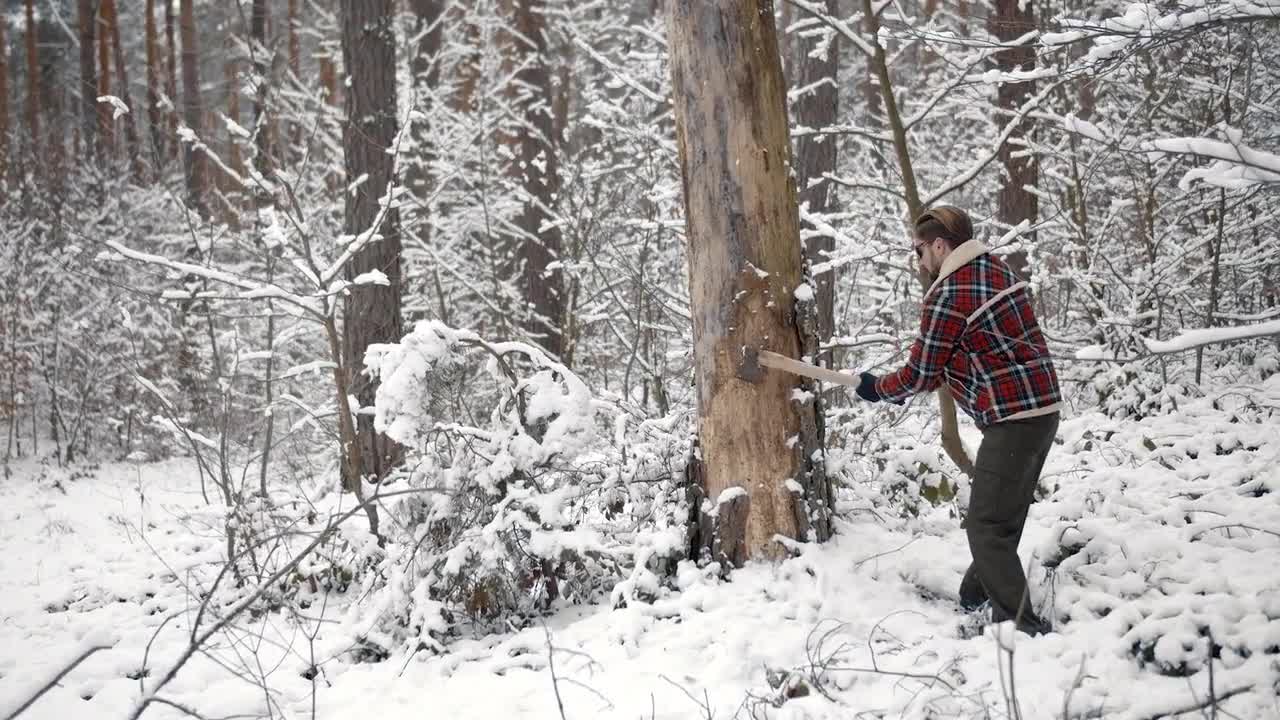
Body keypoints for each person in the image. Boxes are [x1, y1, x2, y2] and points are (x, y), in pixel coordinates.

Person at [855, 206, 1063, 637]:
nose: (918, 260)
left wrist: (877, 389)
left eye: (919, 249)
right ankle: (976, 595)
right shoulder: (995, 270)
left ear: (939, 244)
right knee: (1002, 519)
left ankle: (1022, 628)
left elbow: (920, 374)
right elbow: (966, 353)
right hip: (1043, 411)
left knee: (987, 527)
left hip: (1014, 418)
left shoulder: (949, 292)